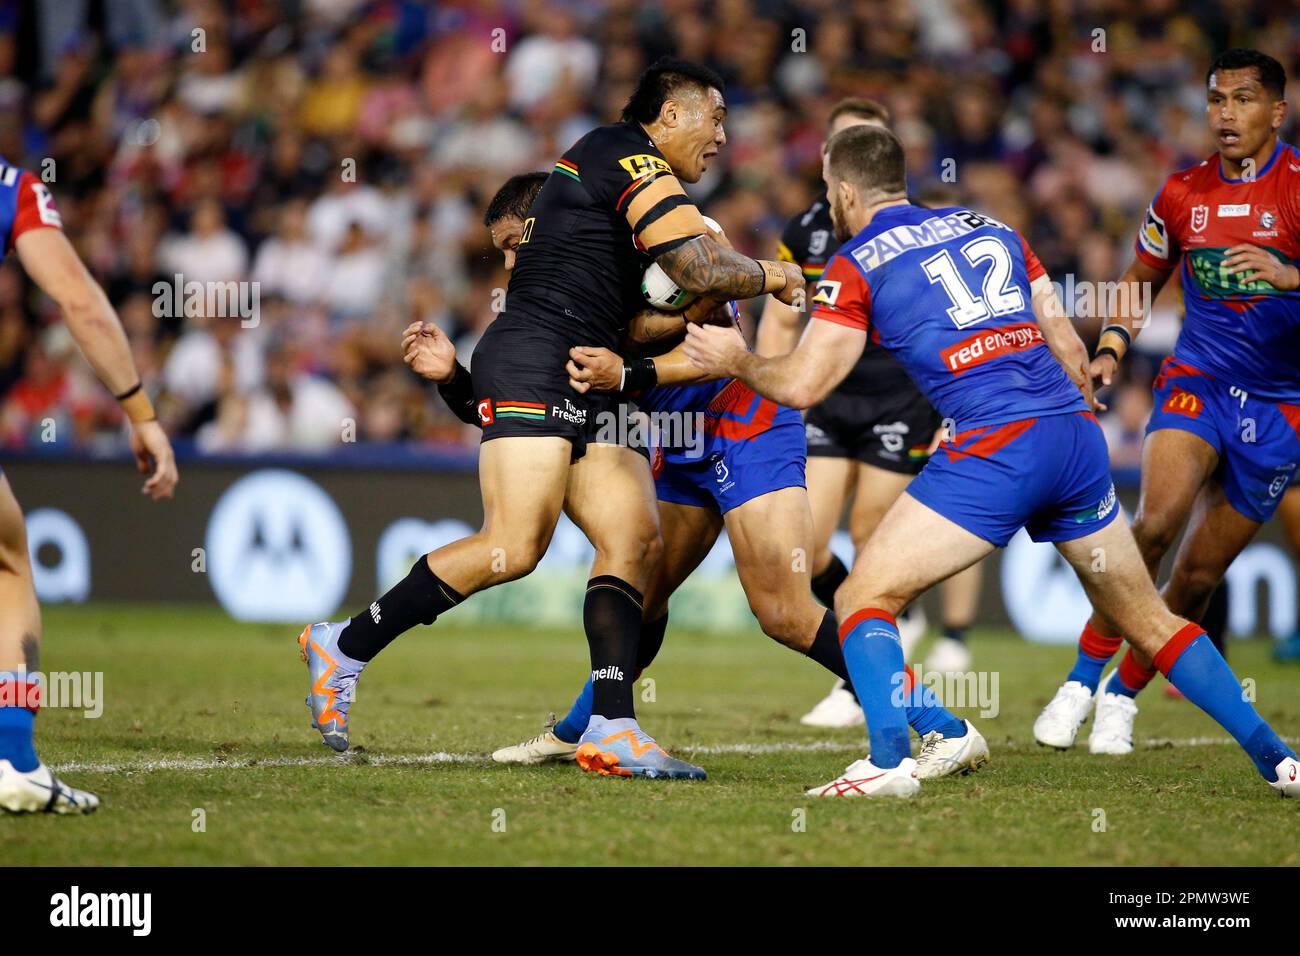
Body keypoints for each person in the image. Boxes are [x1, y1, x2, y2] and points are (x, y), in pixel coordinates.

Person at [683, 123, 1300, 798]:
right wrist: (1073, 421)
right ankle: (1279, 760)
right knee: (1149, 619)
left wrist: (734, 359)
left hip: (998, 444)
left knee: (863, 597)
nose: (828, 200)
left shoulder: (856, 261)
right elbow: (1063, 337)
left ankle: (888, 762)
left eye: (829, 187)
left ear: (845, 189)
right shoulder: (990, 226)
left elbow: (803, 386)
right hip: (1071, 434)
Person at [296, 57, 804, 780]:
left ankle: (613, 728)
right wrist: (776, 273)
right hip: (540, 356)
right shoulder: (623, 153)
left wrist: (686, 314)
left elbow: (648, 323)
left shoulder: (618, 201)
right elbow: (697, 268)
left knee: (636, 542)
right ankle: (344, 645)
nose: (722, 136)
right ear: (667, 117)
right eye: (713, 118)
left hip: (591, 373)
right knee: (513, 545)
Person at [410, 177, 987, 779]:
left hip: (745, 422)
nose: (508, 261)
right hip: (676, 438)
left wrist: (629, 369)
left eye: (511, 243)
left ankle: (943, 726)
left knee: (784, 612)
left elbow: (722, 345)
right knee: (642, 591)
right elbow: (518, 407)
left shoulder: (675, 238)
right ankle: (582, 729)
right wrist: (456, 378)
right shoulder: (569, 278)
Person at [1033, 48, 1300, 755]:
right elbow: (1139, 276)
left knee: (1197, 576)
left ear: (1277, 111)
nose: (1225, 114)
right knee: (1154, 524)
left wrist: (1289, 274)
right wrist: (1113, 349)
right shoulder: (1183, 192)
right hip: (1198, 382)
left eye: (1243, 100)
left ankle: (1124, 692)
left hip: (1282, 408)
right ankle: (1079, 682)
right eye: (1216, 100)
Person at [757, 98, 984, 730]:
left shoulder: (918, 228)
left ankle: (866, 673)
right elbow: (781, 313)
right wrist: (764, 390)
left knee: (868, 533)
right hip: (826, 393)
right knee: (802, 540)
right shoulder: (806, 232)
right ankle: (876, 638)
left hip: (900, 397)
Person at [0, 159, 178, 813]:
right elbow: (79, 300)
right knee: (6, 564)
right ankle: (13, 760)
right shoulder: (11, 187)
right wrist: (140, 413)